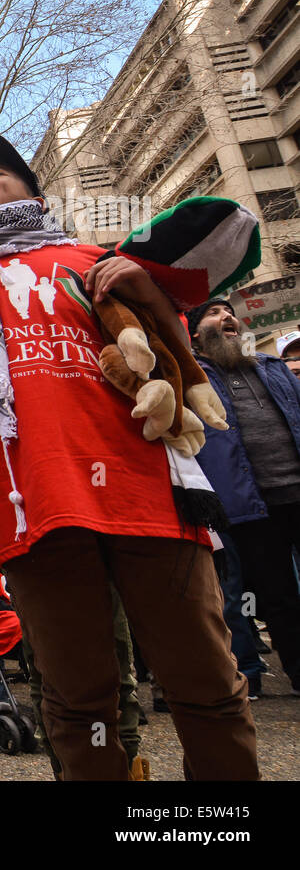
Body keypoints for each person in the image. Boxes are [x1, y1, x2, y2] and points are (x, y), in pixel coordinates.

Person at [0, 130, 258, 780]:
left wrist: (146, 290)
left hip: (151, 495)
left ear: (32, 190)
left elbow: (173, 356)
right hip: (37, 510)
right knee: (77, 702)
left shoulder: (96, 256)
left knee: (206, 681)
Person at [189, 299, 300, 698]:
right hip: (250, 506)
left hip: (296, 493)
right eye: (215, 314)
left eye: (230, 311)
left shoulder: (272, 369)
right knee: (277, 593)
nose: (227, 317)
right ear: (196, 333)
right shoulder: (192, 378)